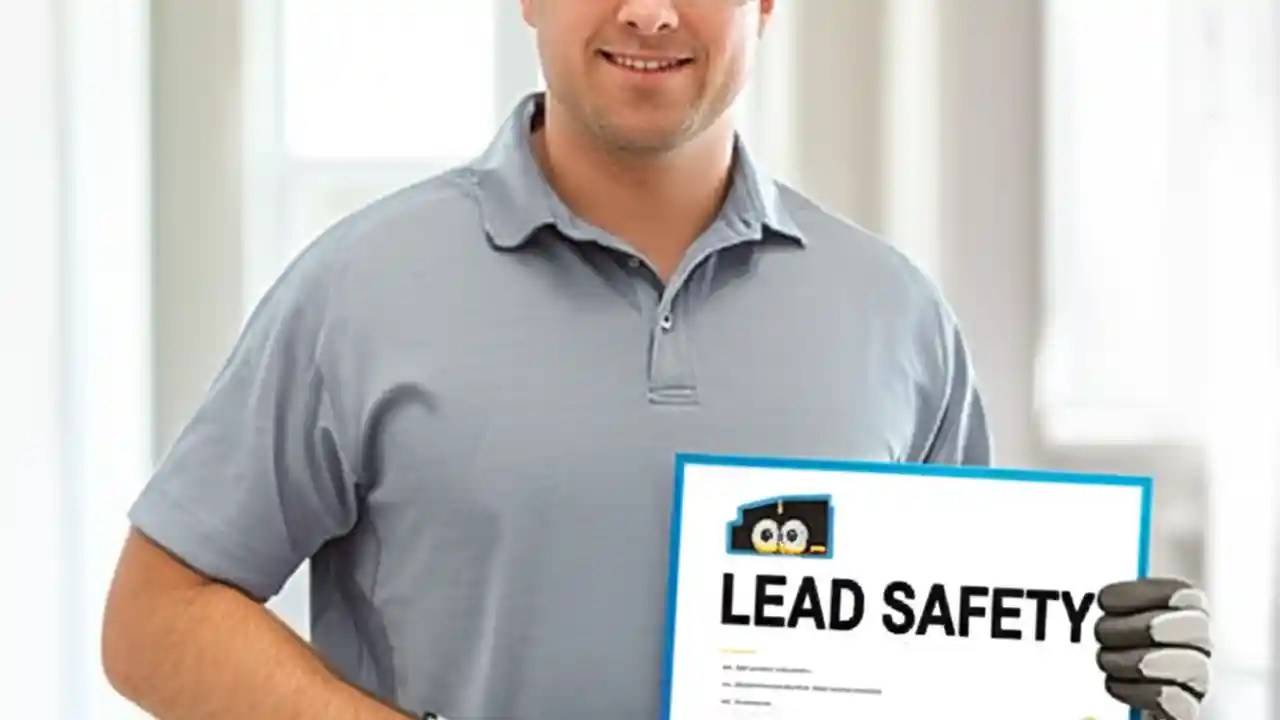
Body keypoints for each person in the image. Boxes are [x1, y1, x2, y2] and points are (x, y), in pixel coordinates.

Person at [100, 1, 1212, 718]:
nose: (646, 11)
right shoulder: (358, 286)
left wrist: (1114, 671)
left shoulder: (896, 317)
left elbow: (957, 673)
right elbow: (153, 616)